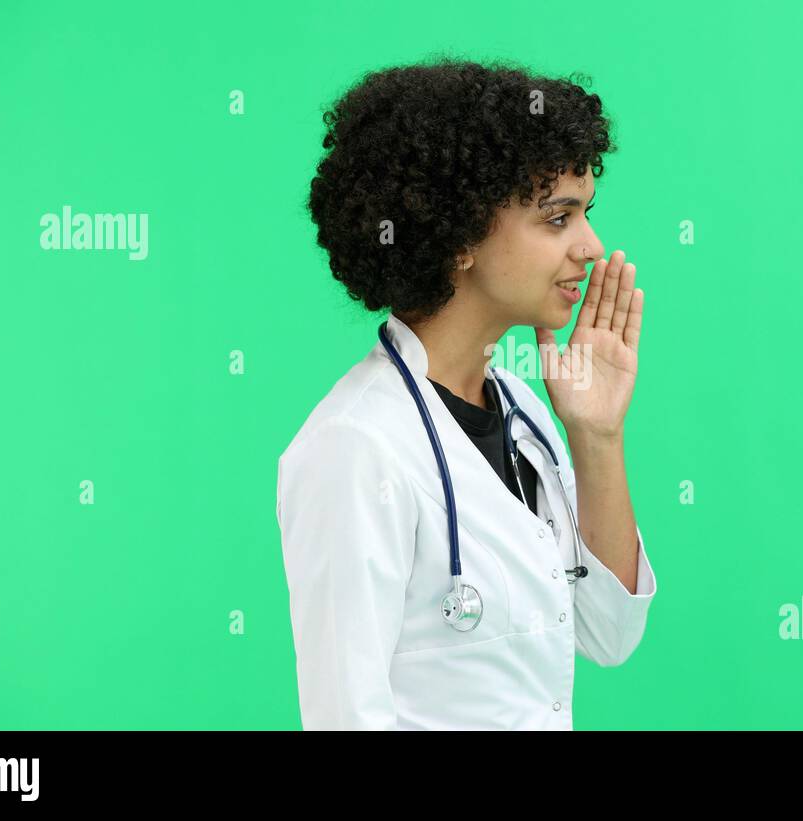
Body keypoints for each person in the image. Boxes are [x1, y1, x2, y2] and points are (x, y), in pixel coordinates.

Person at [276, 57, 657, 730]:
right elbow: (345, 717)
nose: (592, 246)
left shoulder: (524, 412)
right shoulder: (356, 448)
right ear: (460, 237)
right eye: (557, 218)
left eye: (586, 214)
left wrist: (596, 436)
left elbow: (610, 634)